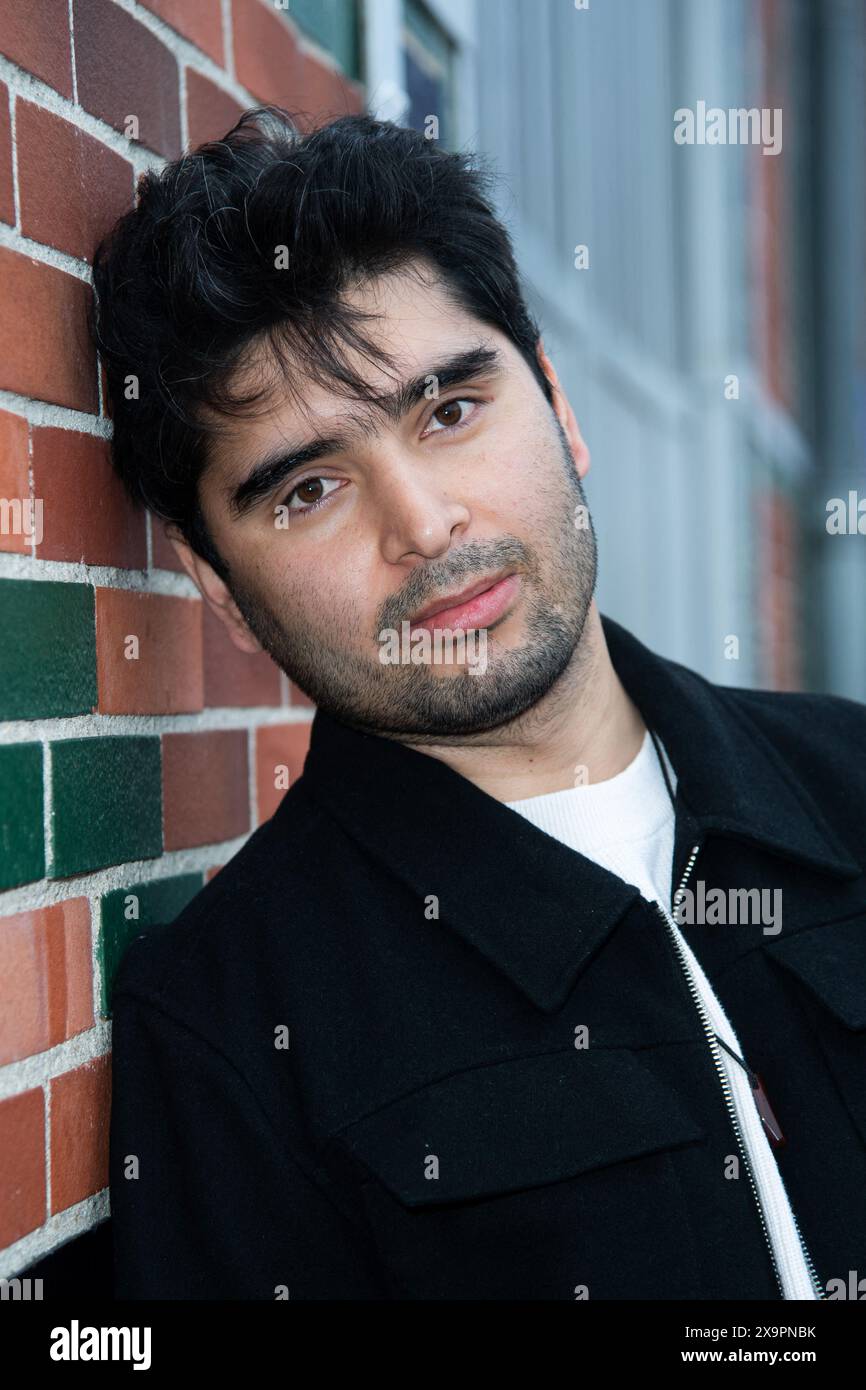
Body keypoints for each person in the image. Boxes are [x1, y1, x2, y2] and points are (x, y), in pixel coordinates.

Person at [92, 106, 866, 1300]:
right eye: (307, 490)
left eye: (448, 411)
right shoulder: (231, 1025)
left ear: (557, 405)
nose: (423, 525)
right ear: (222, 591)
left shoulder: (849, 784)